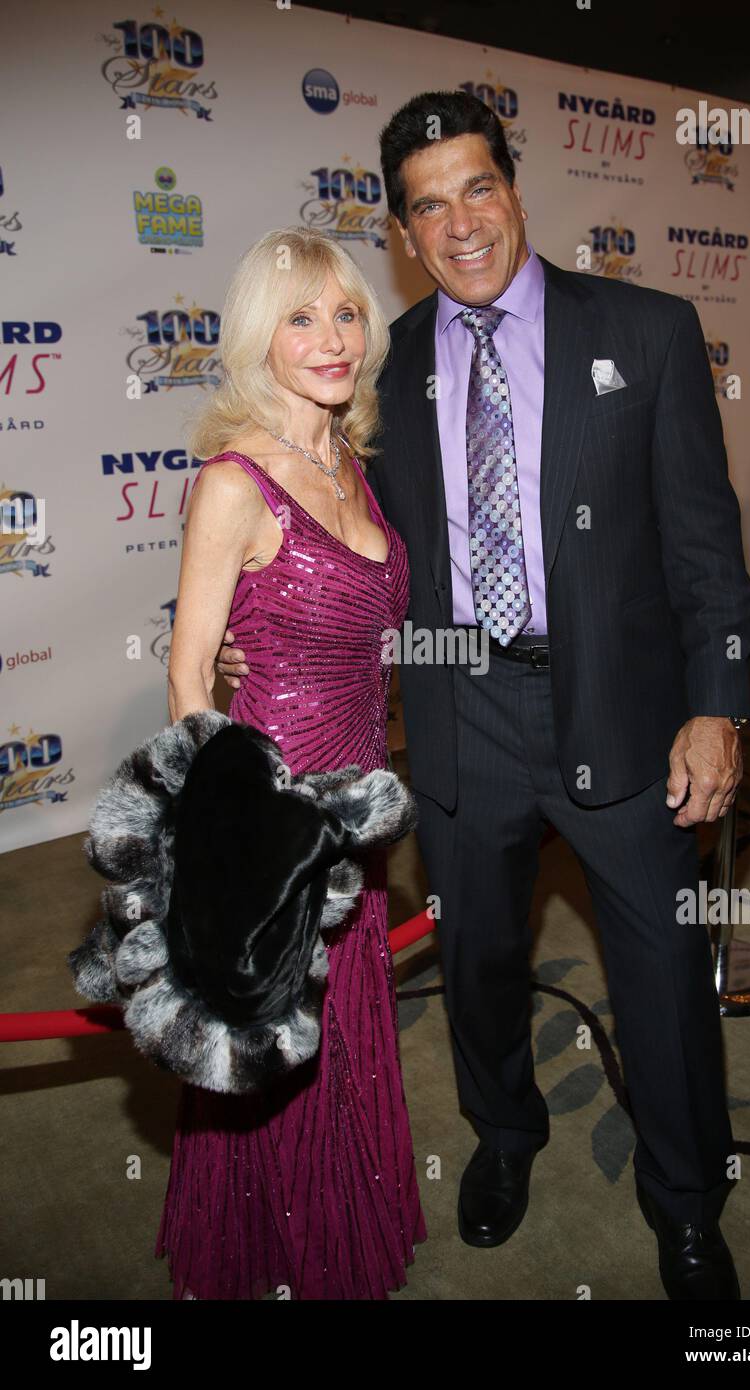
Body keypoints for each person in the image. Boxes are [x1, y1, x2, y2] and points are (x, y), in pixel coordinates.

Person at [218, 91, 750, 1301]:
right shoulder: (381, 374)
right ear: (403, 234)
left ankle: (685, 1200)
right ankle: (507, 1140)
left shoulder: (650, 329)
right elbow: (307, 513)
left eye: (477, 187)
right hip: (465, 716)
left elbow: (706, 554)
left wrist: (718, 705)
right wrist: (245, 638)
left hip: (629, 715)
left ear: (515, 187)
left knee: (664, 980)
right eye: (427, 207)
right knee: (480, 965)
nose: (460, 223)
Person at [162, 225, 426, 1300]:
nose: (330, 338)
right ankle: (270, 1259)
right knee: (278, 1048)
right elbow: (187, 684)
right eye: (300, 316)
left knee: (347, 1040)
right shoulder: (234, 483)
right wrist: (241, 841)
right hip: (280, 826)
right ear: (258, 339)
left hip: (358, 808)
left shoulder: (353, 464)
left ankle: (340, 1238)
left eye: (347, 312)